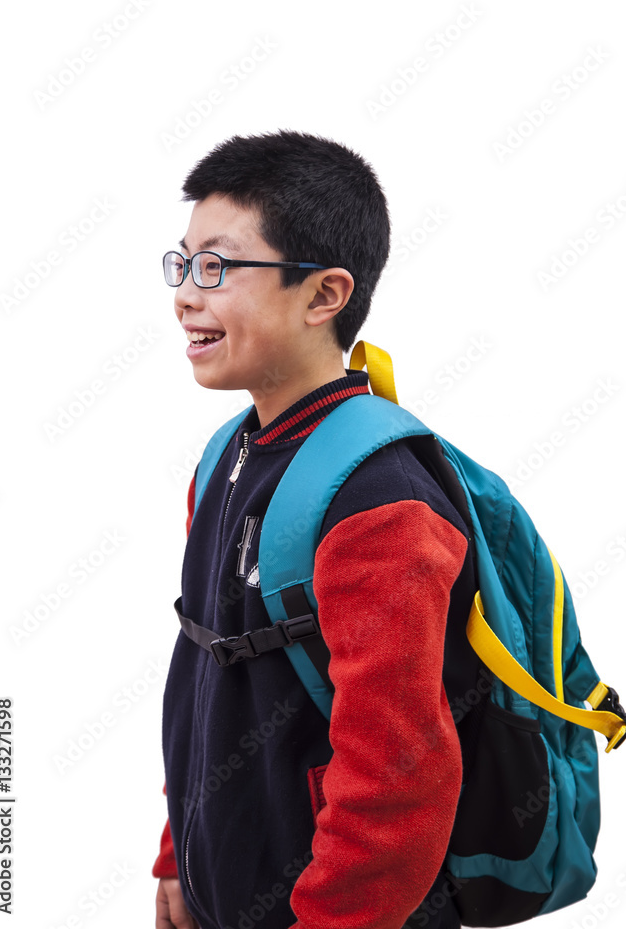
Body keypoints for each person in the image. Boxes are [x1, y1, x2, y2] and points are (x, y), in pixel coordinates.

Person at [152, 130, 478, 929]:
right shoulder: (227, 454)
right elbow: (202, 674)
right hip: (220, 893)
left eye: (219, 268)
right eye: (183, 263)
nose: (186, 294)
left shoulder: (379, 499)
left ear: (325, 294)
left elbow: (399, 775)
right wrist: (176, 861)